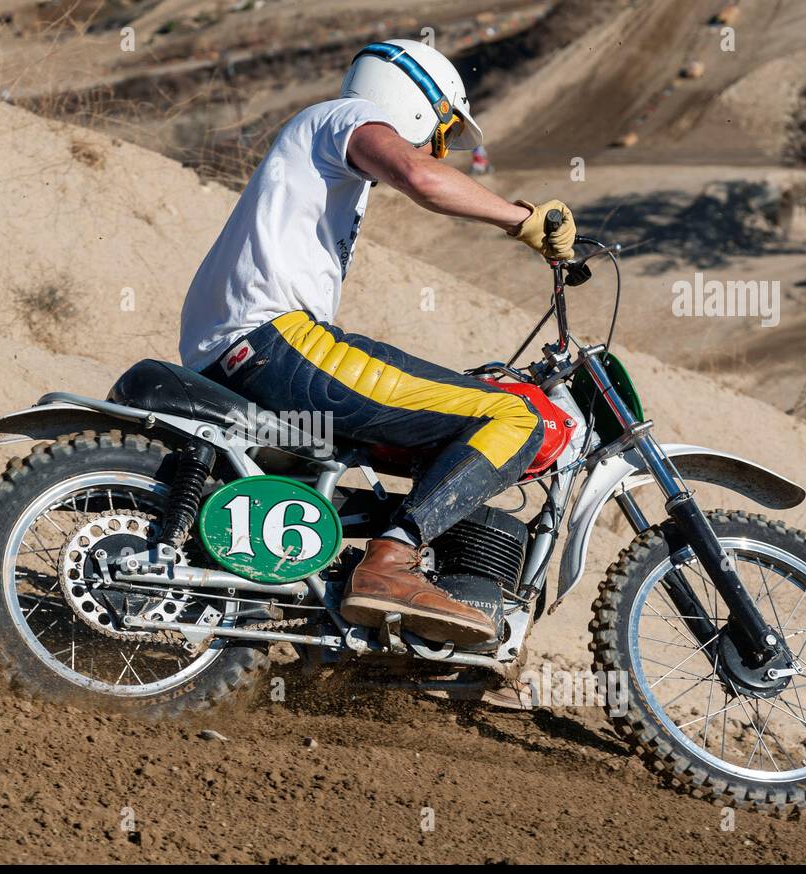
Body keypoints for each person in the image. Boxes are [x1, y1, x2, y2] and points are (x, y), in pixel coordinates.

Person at [179, 39, 577, 645]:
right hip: (275, 340)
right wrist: (520, 219)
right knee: (516, 414)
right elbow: (421, 176)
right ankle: (392, 562)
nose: (436, 150)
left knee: (435, 419)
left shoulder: (325, 166)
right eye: (440, 133)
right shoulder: (342, 120)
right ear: (415, 103)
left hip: (241, 348)